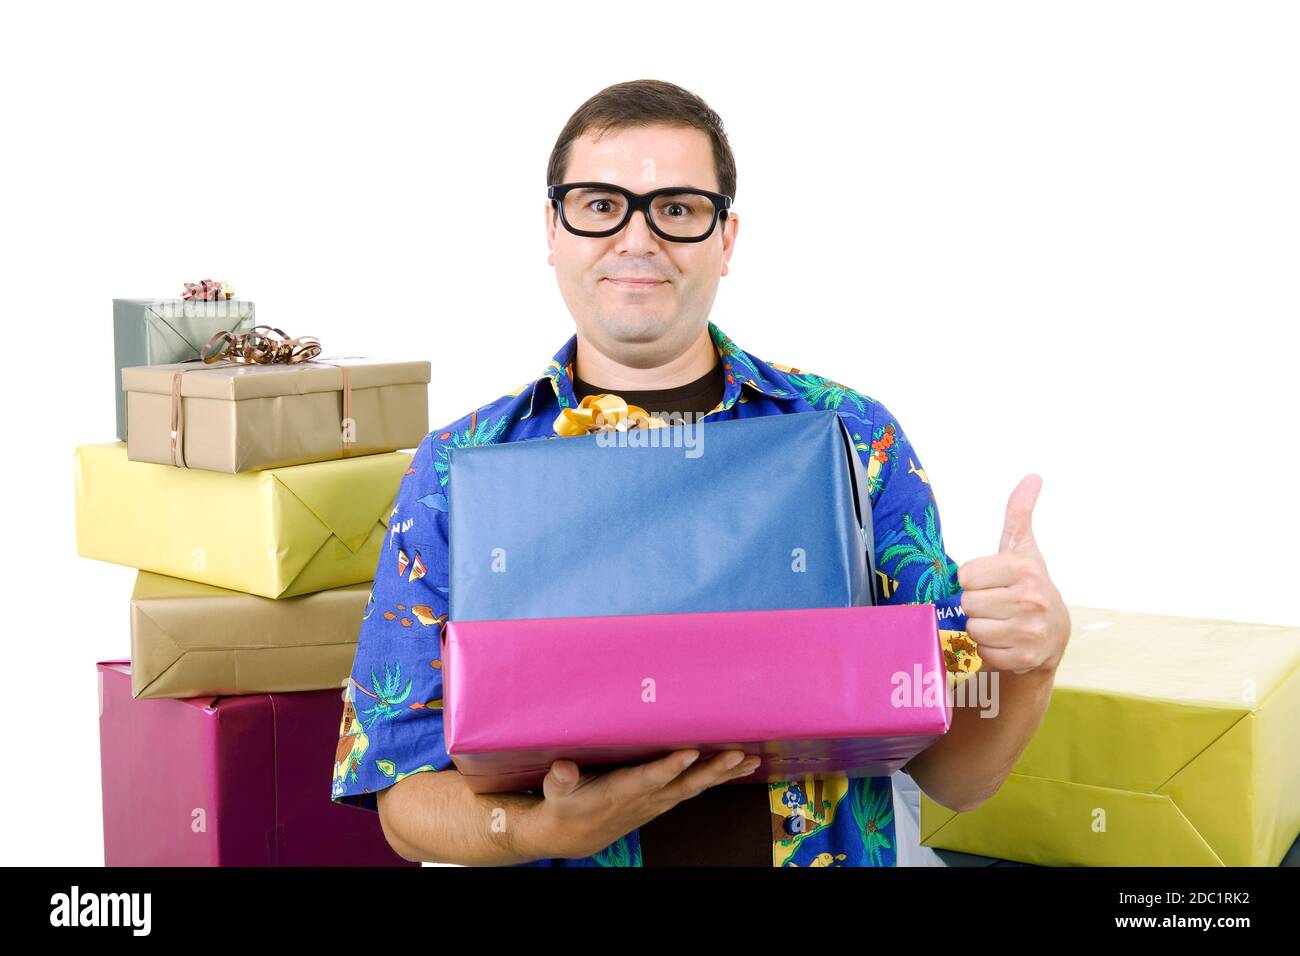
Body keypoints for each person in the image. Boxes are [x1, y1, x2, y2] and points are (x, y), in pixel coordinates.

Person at [331, 78, 1072, 867]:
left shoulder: (856, 438)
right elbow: (402, 793)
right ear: (553, 229)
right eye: (599, 205)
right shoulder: (457, 467)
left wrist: (1033, 662)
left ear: (726, 238)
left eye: (677, 209)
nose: (638, 238)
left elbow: (954, 777)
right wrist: (547, 832)